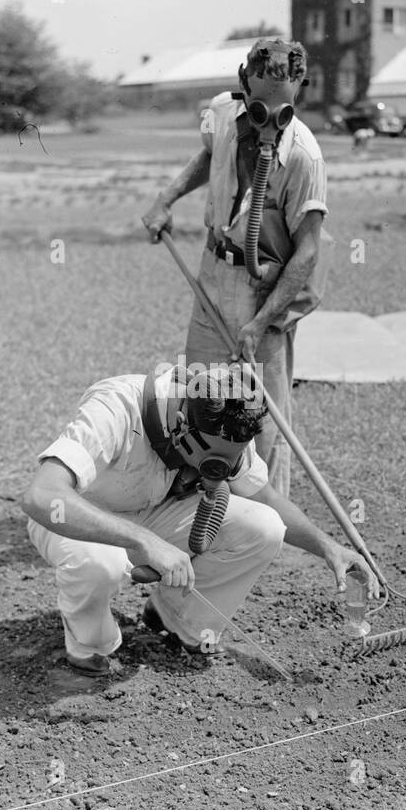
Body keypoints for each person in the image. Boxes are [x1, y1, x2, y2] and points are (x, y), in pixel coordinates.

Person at [21, 361, 378, 675]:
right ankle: (89, 644)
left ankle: (179, 622)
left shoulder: (227, 420)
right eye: (213, 465)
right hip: (73, 519)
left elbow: (264, 497)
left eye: (229, 465)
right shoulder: (117, 408)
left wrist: (329, 548)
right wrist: (145, 542)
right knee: (100, 561)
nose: (220, 475)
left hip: (151, 514)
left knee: (264, 527)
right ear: (180, 424)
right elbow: (42, 497)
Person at [141, 37, 332, 499]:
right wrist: (166, 200)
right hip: (213, 271)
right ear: (244, 81)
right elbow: (210, 156)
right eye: (260, 104)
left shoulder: (305, 155)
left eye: (283, 107)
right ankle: (201, 500)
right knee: (203, 395)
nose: (271, 119)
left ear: (298, 94)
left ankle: (268, 517)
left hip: (265, 289)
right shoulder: (223, 113)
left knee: (260, 413)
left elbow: (307, 252)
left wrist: (262, 322)